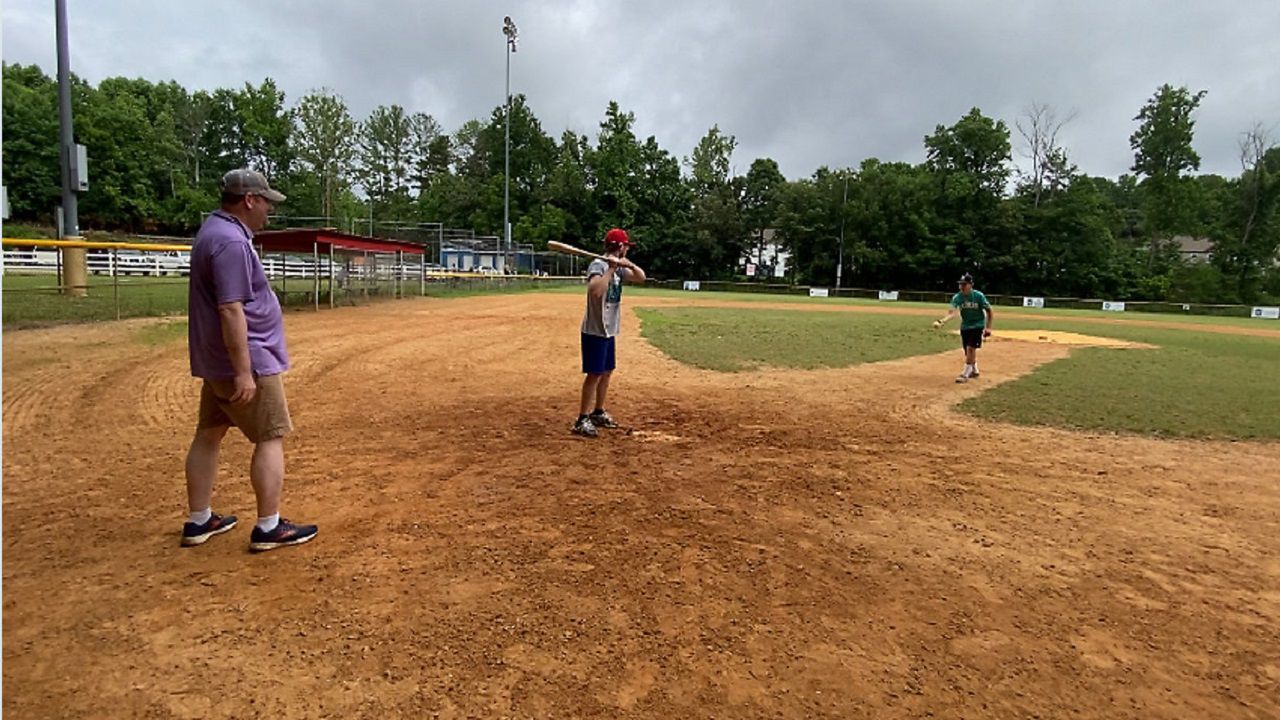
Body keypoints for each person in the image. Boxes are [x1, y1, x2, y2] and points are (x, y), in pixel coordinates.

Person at [182, 168, 318, 552]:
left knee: (209, 433)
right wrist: (245, 372)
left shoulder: (213, 231)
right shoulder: (231, 242)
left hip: (217, 360)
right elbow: (230, 309)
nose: (269, 213)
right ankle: (268, 527)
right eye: (267, 204)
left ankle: (199, 520)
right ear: (249, 200)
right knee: (271, 436)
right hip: (246, 359)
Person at [573, 228, 647, 437]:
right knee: (594, 373)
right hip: (595, 330)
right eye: (626, 247)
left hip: (609, 329)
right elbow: (595, 291)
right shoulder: (598, 265)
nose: (627, 250)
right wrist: (610, 270)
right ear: (620, 247)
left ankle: (598, 411)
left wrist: (627, 265)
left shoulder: (620, 267)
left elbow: (642, 277)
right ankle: (581, 418)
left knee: (606, 371)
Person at [933, 273, 993, 383]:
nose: (961, 286)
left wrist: (988, 327)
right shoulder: (957, 297)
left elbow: (989, 311)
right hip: (965, 326)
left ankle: (965, 374)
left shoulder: (978, 296)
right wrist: (942, 321)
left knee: (971, 348)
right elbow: (952, 313)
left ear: (971, 285)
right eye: (960, 284)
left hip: (977, 325)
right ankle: (974, 370)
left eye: (964, 284)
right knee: (967, 350)